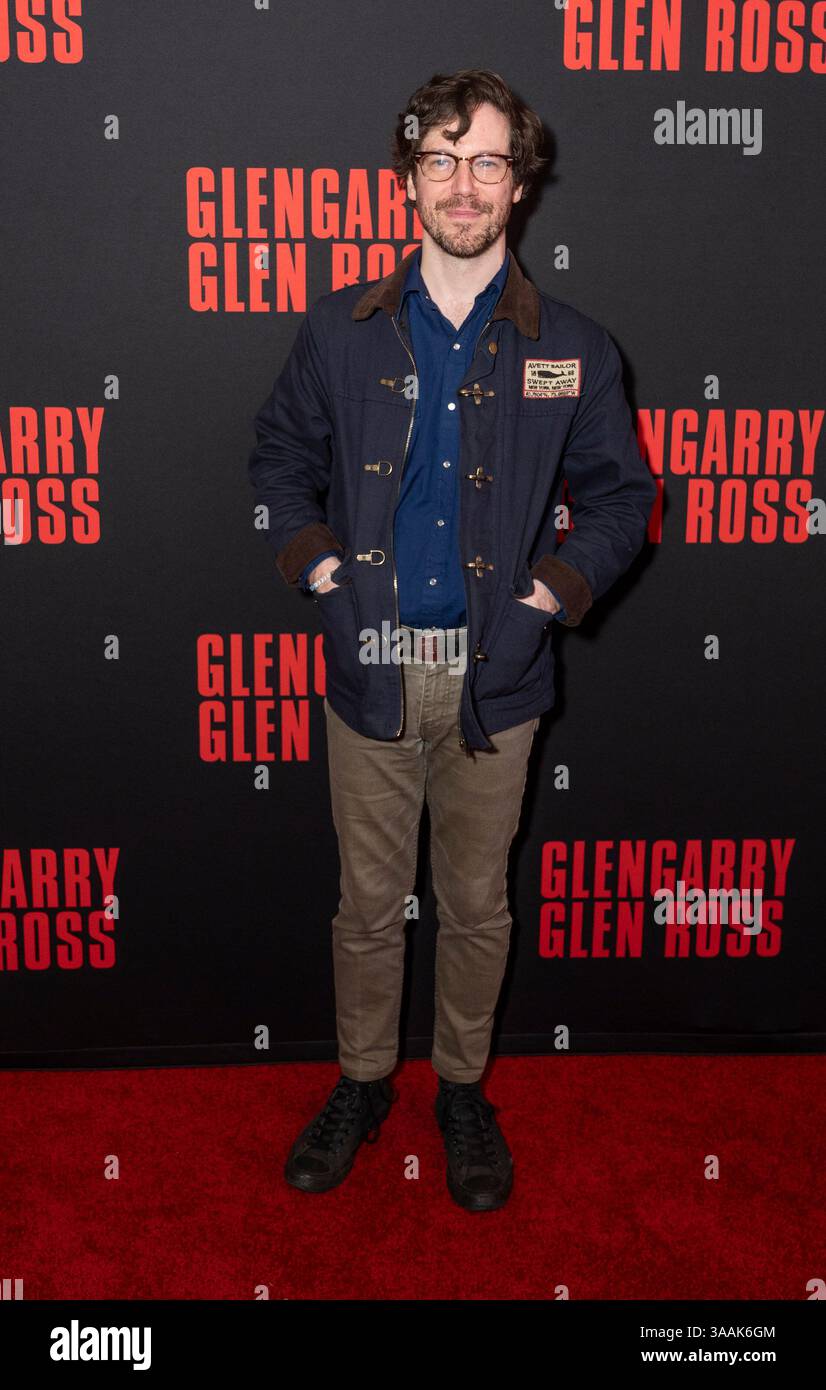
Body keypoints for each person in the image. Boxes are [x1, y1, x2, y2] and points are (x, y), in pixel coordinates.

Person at [248, 68, 657, 1211]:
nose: (461, 182)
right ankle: (365, 1080)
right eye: (439, 158)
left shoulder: (572, 343)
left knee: (477, 907)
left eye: (485, 160)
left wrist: (545, 597)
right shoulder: (340, 327)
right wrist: (321, 570)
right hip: (369, 675)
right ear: (408, 180)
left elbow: (622, 497)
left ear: (519, 185)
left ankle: (462, 1089)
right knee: (366, 906)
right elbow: (277, 458)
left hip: (501, 684)